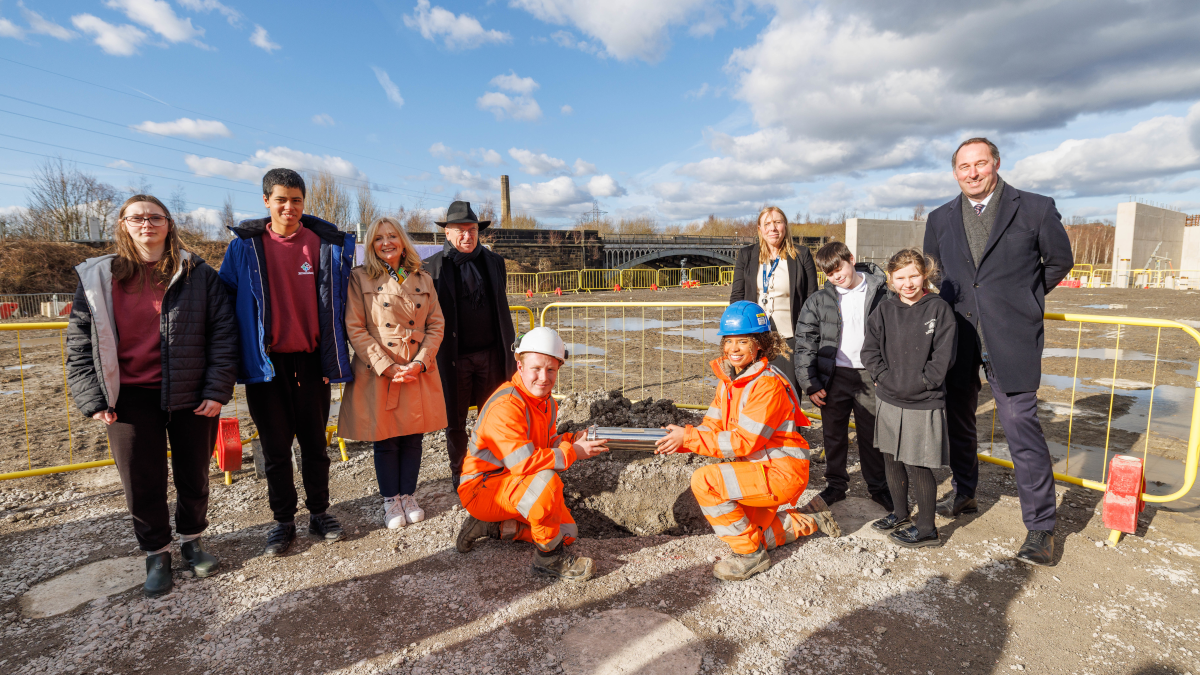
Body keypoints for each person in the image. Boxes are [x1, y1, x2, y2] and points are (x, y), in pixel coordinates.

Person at [67, 194, 237, 597]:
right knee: (141, 479)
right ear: (123, 225)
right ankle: (156, 553)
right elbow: (78, 343)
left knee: (194, 472)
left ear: (169, 223)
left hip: (191, 391)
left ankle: (192, 542)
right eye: (136, 218)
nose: (147, 224)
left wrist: (217, 389)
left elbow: (224, 335)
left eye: (155, 217)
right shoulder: (99, 277)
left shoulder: (198, 273)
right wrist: (92, 398)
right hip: (127, 397)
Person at [923, 138, 1073, 566]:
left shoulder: (1036, 208)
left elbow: (1059, 261)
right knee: (960, 421)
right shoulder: (939, 217)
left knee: (1021, 429)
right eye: (963, 166)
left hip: (1011, 337)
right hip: (958, 337)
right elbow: (938, 272)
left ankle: (1041, 527)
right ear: (955, 172)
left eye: (980, 164)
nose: (972, 173)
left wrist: (1023, 299)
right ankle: (966, 492)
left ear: (996, 164)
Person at [218, 168, 356, 557]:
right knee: (275, 448)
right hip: (266, 365)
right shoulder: (244, 247)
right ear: (266, 201)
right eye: (281, 199)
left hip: (312, 360)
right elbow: (225, 301)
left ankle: (320, 513)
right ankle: (282, 522)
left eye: (296, 200)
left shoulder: (324, 243)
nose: (289, 207)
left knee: (315, 443)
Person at [655, 301, 838, 581]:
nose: (734, 348)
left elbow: (743, 442)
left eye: (743, 341)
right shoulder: (729, 383)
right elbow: (712, 427)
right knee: (751, 531)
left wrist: (689, 438)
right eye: (729, 341)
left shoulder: (767, 384)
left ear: (760, 345)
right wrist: (680, 440)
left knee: (706, 482)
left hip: (780, 472)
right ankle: (809, 520)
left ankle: (750, 556)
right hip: (758, 469)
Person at [454, 328, 610, 581]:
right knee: (546, 482)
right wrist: (573, 453)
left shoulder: (547, 403)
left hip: (512, 486)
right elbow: (524, 462)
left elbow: (545, 444)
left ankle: (492, 526)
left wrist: (573, 439)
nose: (543, 377)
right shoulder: (507, 405)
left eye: (551, 370)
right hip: (481, 490)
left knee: (567, 532)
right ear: (520, 365)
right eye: (536, 368)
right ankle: (549, 560)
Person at [339, 216, 446, 529]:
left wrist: (419, 362)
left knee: (412, 436)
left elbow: (436, 324)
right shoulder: (360, 278)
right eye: (378, 238)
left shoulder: (422, 278)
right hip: (378, 370)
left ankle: (408, 495)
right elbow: (355, 326)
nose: (386, 243)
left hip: (416, 369)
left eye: (392, 236)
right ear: (371, 245)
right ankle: (390, 500)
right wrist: (386, 366)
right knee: (385, 437)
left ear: (402, 241)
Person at [861, 249, 957, 548]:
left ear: (924, 274)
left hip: (923, 400)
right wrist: (884, 378)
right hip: (889, 398)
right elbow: (870, 350)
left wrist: (924, 382)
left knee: (918, 464)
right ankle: (900, 514)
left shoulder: (938, 309)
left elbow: (944, 357)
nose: (908, 283)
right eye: (900, 277)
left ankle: (927, 528)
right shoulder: (885, 310)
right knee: (891, 458)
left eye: (914, 275)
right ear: (890, 280)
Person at [423, 200, 517, 489]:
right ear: (447, 234)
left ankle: (489, 464)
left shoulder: (494, 262)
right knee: (455, 419)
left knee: (492, 414)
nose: (467, 236)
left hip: (490, 353)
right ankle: (459, 468)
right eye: (460, 230)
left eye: (472, 230)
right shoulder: (432, 268)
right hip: (453, 358)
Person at [794, 241, 892, 514]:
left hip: (870, 377)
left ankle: (878, 487)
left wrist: (886, 375)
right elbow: (805, 343)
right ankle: (836, 485)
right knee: (833, 435)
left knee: (871, 436)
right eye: (829, 273)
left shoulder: (882, 294)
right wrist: (810, 383)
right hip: (833, 377)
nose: (837, 276)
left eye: (839, 268)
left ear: (851, 259)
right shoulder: (818, 300)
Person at [729, 206, 819, 393]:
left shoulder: (802, 255)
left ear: (785, 226)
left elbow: (812, 299)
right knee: (754, 392)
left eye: (778, 222)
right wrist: (734, 337)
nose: (773, 228)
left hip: (790, 336)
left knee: (788, 392)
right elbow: (737, 297)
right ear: (760, 229)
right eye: (767, 224)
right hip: (754, 337)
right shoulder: (746, 255)